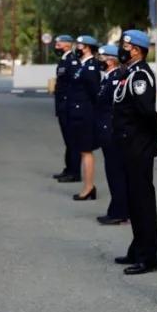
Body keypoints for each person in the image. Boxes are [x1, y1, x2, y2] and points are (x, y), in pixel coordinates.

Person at [111, 29, 157, 275]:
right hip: (127, 144)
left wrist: (153, 133)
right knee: (133, 199)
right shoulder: (128, 73)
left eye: (126, 46)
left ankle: (147, 255)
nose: (122, 49)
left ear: (137, 49)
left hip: (138, 145)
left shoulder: (140, 75)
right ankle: (137, 247)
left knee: (142, 201)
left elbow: (145, 112)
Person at [95, 44, 129, 225]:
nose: (98, 61)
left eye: (101, 58)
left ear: (110, 60)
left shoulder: (116, 78)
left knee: (116, 173)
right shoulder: (108, 78)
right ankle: (117, 208)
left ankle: (119, 212)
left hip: (112, 132)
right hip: (107, 131)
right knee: (113, 172)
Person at [69, 35, 102, 201]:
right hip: (79, 113)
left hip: (86, 114)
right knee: (83, 151)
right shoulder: (83, 65)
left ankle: (89, 187)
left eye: (80, 45)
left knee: (86, 151)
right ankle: (88, 186)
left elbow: (95, 94)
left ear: (88, 47)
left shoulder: (91, 67)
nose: (77, 48)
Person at [51, 34, 80, 182]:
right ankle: (69, 168)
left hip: (69, 106)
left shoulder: (73, 61)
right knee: (68, 140)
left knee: (72, 140)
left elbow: (74, 85)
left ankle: (75, 172)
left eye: (59, 44)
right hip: (63, 106)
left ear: (68, 45)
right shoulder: (64, 60)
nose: (56, 46)